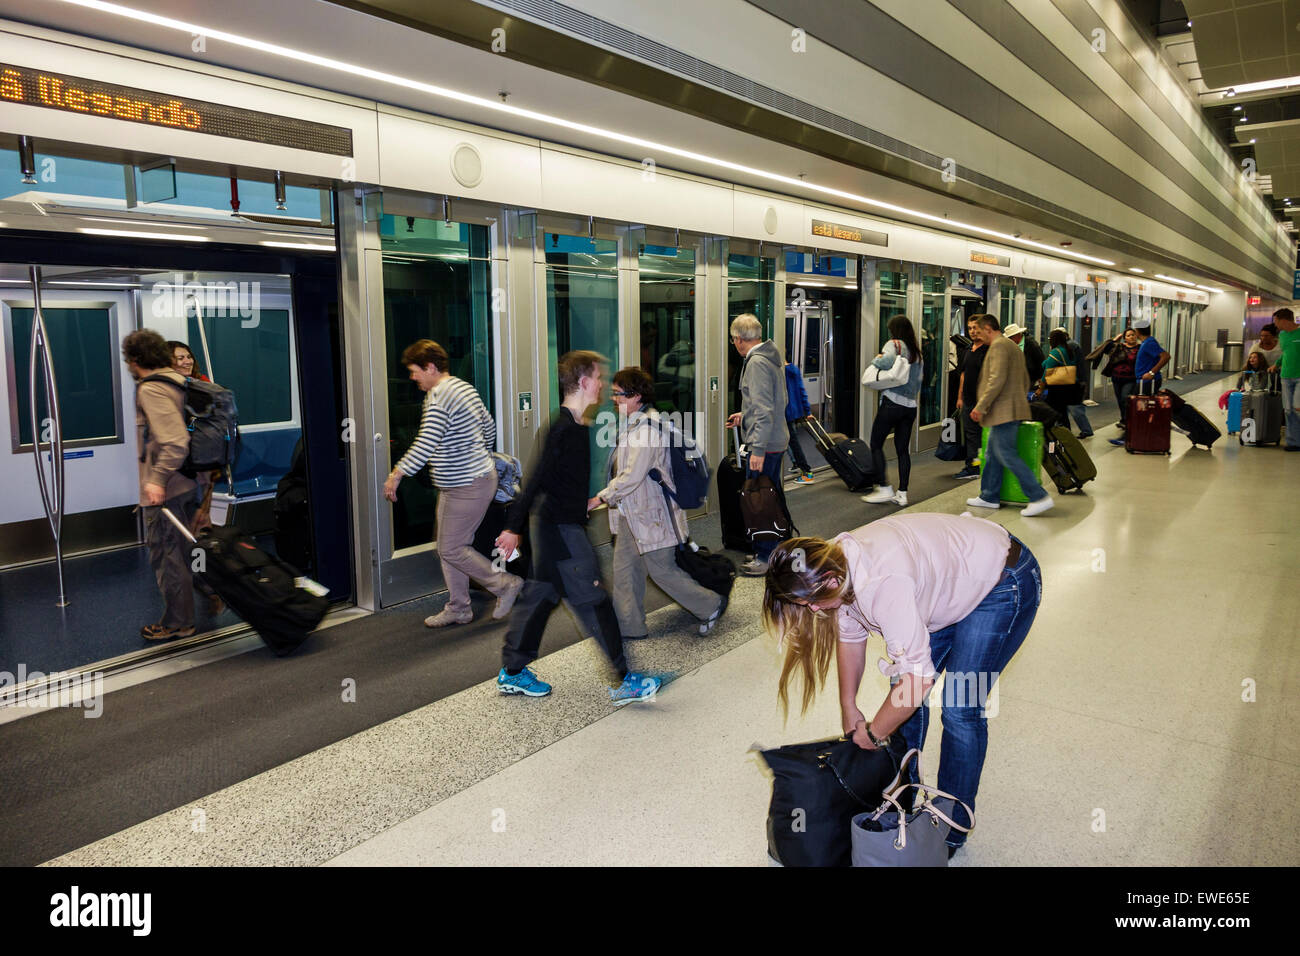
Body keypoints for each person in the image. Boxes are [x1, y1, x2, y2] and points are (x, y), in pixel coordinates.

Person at [761, 513, 1042, 855]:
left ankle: (950, 828)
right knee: (903, 700)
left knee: (959, 709)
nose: (814, 610)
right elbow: (850, 638)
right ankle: (903, 802)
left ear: (832, 580)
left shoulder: (881, 584)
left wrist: (875, 733)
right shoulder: (832, 565)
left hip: (1000, 581)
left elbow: (916, 682)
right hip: (949, 582)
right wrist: (848, 706)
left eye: (812, 602)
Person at [494, 350, 662, 704]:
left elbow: (549, 481)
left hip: (552, 528)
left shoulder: (574, 424)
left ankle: (512, 670)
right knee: (594, 601)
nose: (602, 384)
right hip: (562, 532)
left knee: (540, 597)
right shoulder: (564, 429)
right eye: (598, 378)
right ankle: (625, 681)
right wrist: (512, 527)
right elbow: (535, 478)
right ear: (584, 382)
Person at [383, 339, 523, 628]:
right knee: (449, 547)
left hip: (467, 485)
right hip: (466, 481)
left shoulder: (440, 395)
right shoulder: (463, 387)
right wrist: (478, 454)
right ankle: (459, 608)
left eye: (415, 371)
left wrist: (397, 473)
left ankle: (505, 584)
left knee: (451, 548)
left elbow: (426, 441)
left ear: (430, 367)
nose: (413, 378)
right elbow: (488, 426)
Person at [597, 367, 726, 639]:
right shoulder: (634, 424)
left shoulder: (648, 430)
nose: (614, 399)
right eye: (613, 394)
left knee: (662, 571)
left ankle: (710, 604)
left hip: (652, 514)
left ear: (637, 396)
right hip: (631, 512)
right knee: (625, 572)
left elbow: (632, 476)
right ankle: (630, 627)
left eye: (619, 394)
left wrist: (601, 497)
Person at [123, 330, 199, 641]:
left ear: (135, 360)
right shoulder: (179, 381)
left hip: (168, 490)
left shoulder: (152, 388)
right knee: (183, 552)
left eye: (128, 359)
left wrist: (156, 480)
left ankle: (178, 623)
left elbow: (176, 441)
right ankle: (206, 597)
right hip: (187, 483)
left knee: (168, 557)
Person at [967, 315, 1054, 516]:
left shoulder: (998, 346)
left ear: (988, 329)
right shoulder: (1012, 346)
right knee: (992, 454)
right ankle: (989, 496)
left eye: (979, 331)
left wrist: (981, 406)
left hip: (1003, 412)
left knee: (1006, 453)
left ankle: (1039, 496)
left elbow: (996, 379)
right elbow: (1024, 379)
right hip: (1009, 408)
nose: (977, 335)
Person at [725, 313, 790, 576]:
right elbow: (771, 402)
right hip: (774, 437)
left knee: (759, 500)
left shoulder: (757, 363)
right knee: (771, 496)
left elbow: (764, 409)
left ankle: (765, 556)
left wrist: (758, 449)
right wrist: (745, 415)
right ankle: (778, 548)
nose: (734, 344)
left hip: (766, 443)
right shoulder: (769, 358)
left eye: (733, 340)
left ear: (739, 339)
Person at [862, 315, 923, 507]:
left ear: (894, 331)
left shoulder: (894, 344)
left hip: (892, 403)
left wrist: (876, 360)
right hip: (910, 406)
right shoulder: (917, 352)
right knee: (902, 450)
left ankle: (884, 488)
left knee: (876, 444)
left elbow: (886, 360)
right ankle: (902, 493)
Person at [952, 315, 988, 481]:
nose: (973, 331)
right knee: (970, 435)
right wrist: (960, 397)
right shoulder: (968, 349)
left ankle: (975, 466)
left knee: (978, 436)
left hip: (981, 401)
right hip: (967, 400)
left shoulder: (987, 350)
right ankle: (973, 465)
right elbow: (963, 375)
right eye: (970, 328)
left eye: (975, 328)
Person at [1035, 329, 1084, 435]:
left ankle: (1054, 435)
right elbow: (1047, 363)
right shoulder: (1067, 350)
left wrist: (1040, 388)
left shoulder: (1056, 352)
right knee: (1062, 413)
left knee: (1051, 411)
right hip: (1068, 386)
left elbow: (1047, 372)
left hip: (1058, 388)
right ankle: (1066, 434)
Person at [1270, 308, 1300, 450]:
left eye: (1276, 321)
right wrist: (1276, 364)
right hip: (1286, 376)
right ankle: (1294, 442)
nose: (1275, 324)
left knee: (1298, 407)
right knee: (1288, 410)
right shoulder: (1282, 335)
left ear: (1283, 320)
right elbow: (1286, 353)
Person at [1106, 328, 1140, 446]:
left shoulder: (1139, 348)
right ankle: (1124, 419)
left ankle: (1127, 421)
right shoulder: (1119, 346)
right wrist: (1115, 339)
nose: (1131, 337)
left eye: (1133, 335)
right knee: (1120, 401)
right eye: (1128, 335)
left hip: (1130, 378)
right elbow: (1106, 349)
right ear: (1125, 338)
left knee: (1125, 398)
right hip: (1117, 377)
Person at [784, 362, 815, 484]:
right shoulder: (793, 369)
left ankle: (807, 472)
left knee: (792, 442)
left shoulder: (781, 371)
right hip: (793, 411)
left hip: (784, 412)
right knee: (791, 441)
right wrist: (807, 411)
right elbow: (802, 390)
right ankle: (797, 464)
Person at [1060, 329, 1094, 438]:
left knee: (1075, 408)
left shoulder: (1070, 346)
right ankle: (1075, 430)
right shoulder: (1071, 345)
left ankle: (1086, 430)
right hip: (1074, 381)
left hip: (1073, 382)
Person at [1132, 317, 1169, 389]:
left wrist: (1151, 373)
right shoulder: (1146, 342)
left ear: (1138, 331)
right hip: (1144, 381)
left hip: (1148, 382)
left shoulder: (1149, 343)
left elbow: (1166, 356)